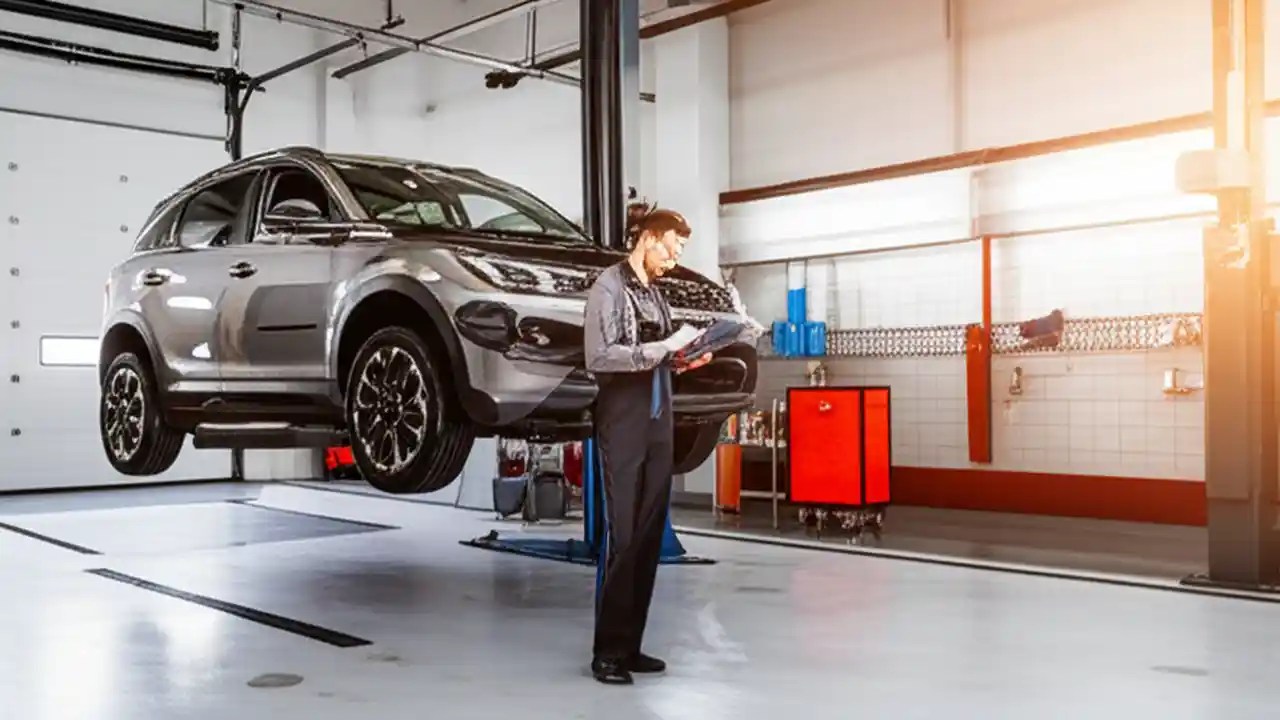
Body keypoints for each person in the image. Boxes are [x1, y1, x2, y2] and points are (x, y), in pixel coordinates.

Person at [582, 202, 712, 685]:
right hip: (624, 421)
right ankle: (607, 654)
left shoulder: (654, 294)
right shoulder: (609, 287)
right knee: (625, 533)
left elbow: (658, 354)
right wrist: (664, 347)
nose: (674, 259)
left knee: (649, 533)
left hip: (659, 420)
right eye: (673, 249)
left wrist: (684, 358)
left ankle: (631, 645)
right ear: (649, 237)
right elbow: (600, 356)